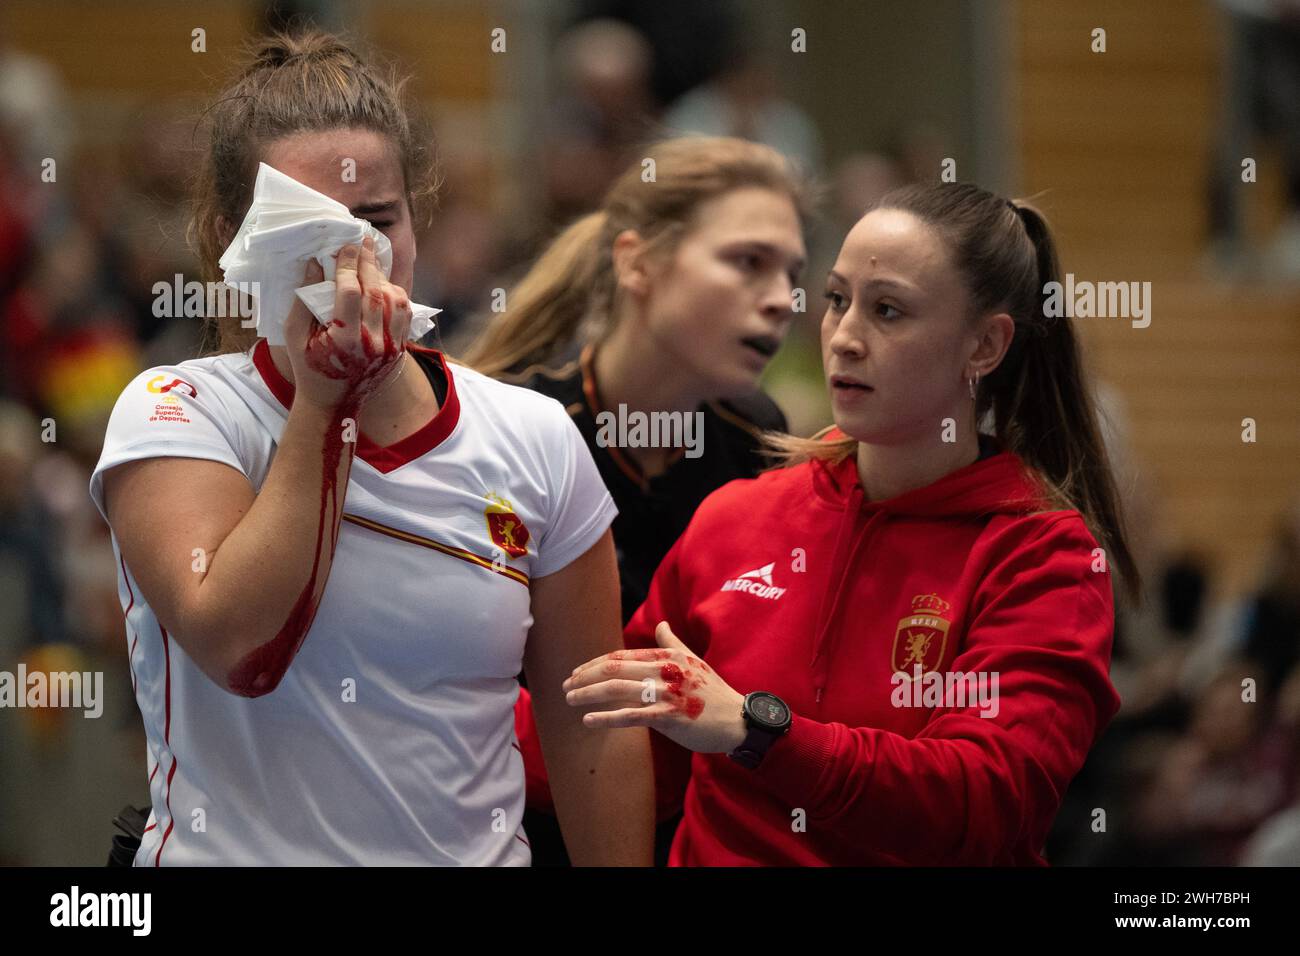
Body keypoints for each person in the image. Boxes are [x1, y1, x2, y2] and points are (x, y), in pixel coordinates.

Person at [88, 31, 652, 866]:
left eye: (378, 222)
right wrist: (324, 404)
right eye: (305, 229)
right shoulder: (179, 411)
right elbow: (240, 649)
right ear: (228, 240)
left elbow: (587, 724)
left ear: (415, 218)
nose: (353, 261)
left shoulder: (533, 435)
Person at [563, 182, 1142, 865]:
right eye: (837, 300)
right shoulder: (738, 517)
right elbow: (609, 735)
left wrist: (756, 731)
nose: (843, 337)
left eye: (888, 311)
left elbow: (983, 802)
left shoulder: (1045, 559)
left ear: (984, 345)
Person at [466, 135, 809, 863]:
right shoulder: (512, 424)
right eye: (748, 261)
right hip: (501, 823)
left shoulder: (758, 440)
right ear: (637, 262)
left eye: (791, 273)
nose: (783, 298)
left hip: (684, 829)